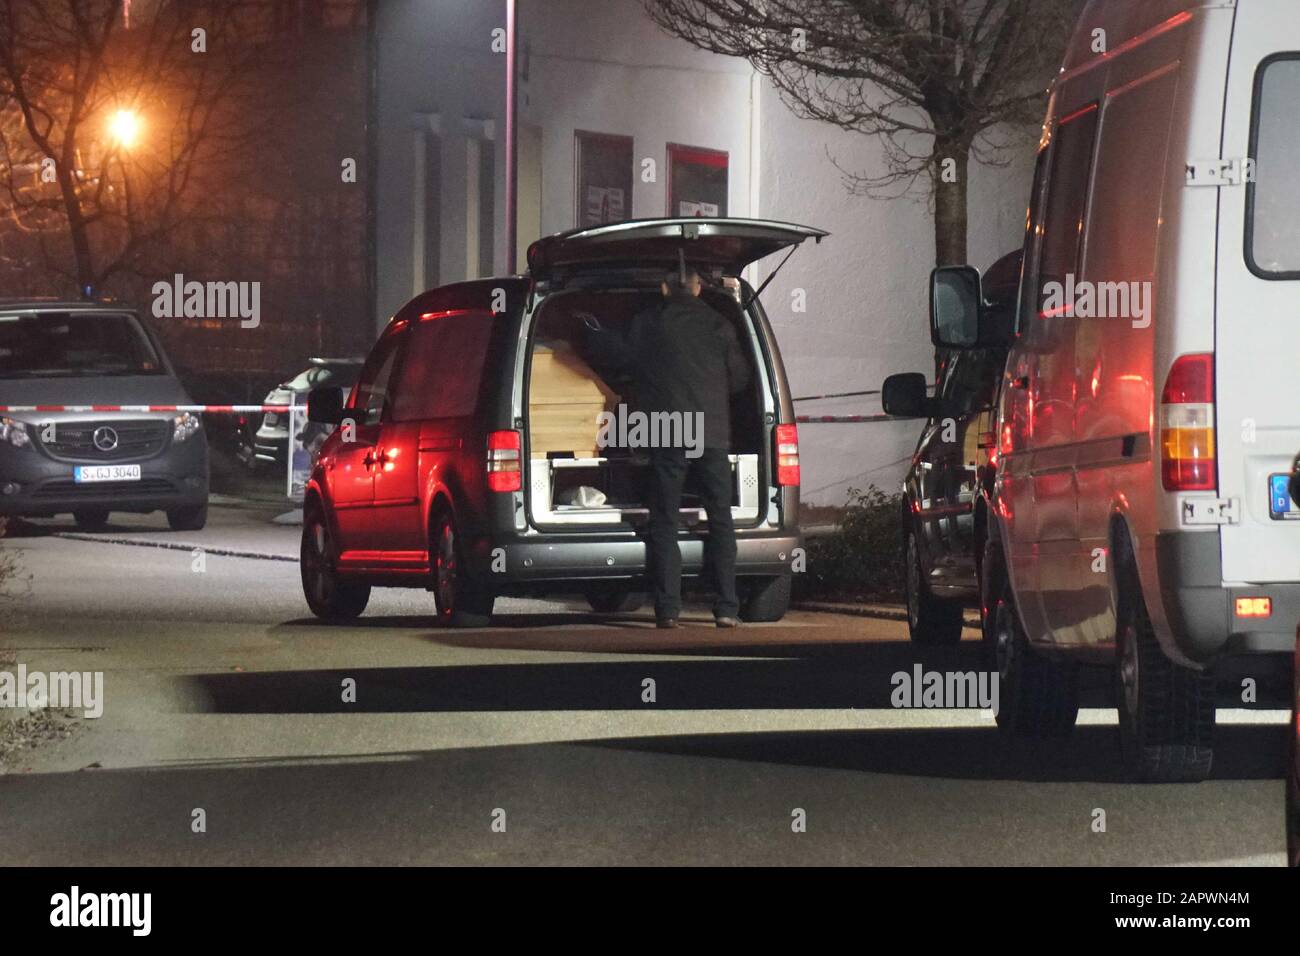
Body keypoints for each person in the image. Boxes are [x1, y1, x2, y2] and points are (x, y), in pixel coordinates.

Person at [587, 263, 751, 628]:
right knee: (721, 520)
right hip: (712, 434)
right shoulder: (718, 324)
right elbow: (739, 379)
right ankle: (726, 608)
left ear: (664, 289)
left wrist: (591, 331)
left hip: (669, 431)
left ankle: (668, 609)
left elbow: (623, 361)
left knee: (664, 520)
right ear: (696, 289)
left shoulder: (648, 323)